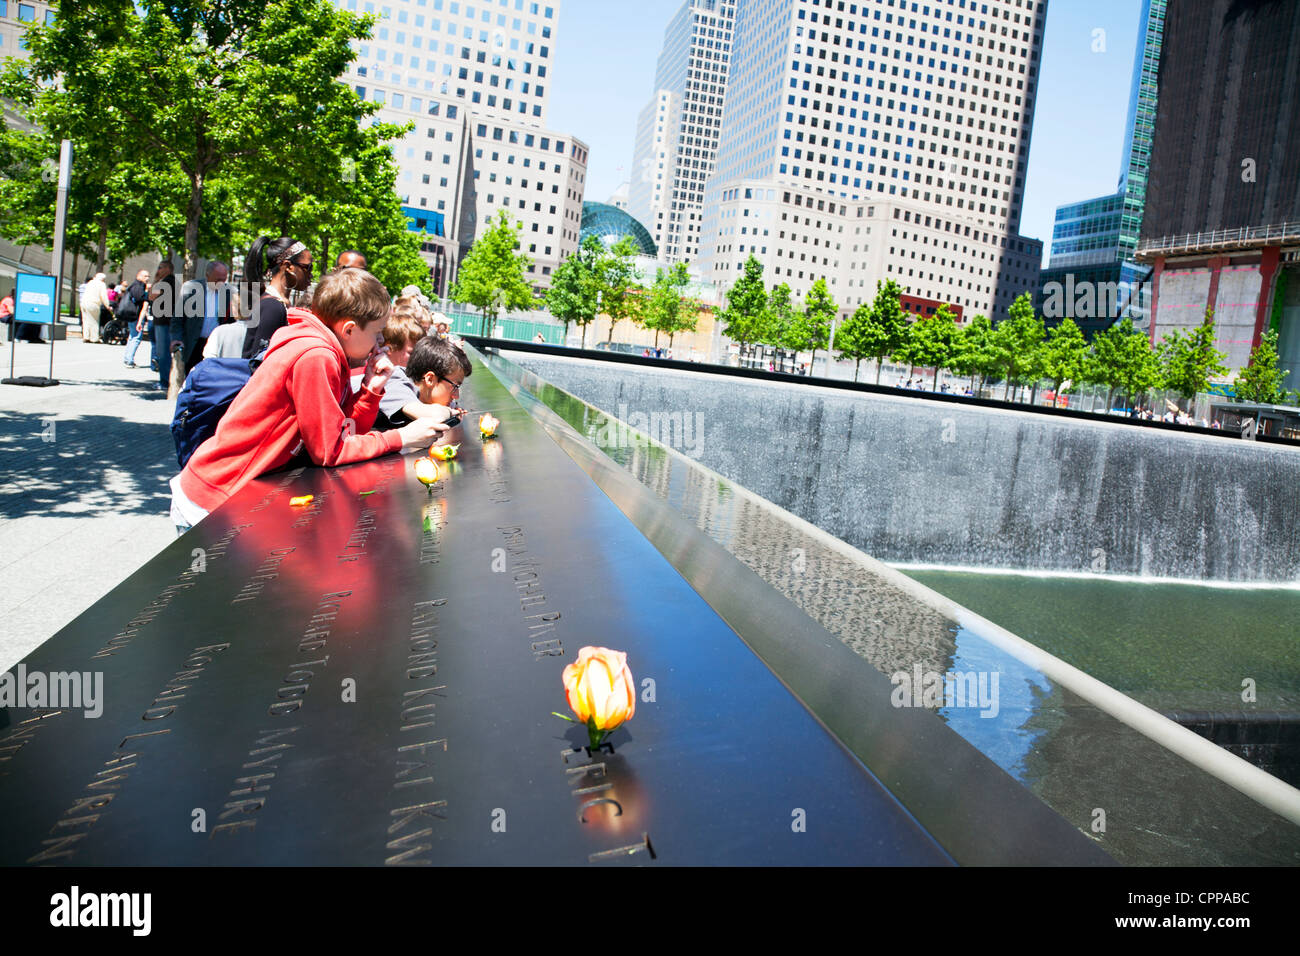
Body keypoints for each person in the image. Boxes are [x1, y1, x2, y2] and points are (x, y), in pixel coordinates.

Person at [171, 268, 447, 531]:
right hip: (215, 498)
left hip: (232, 494)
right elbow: (330, 451)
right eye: (377, 333)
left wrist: (370, 390)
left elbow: (346, 430)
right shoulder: (316, 355)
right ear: (349, 329)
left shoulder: (325, 349)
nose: (380, 344)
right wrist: (401, 437)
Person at [377, 329, 469, 431]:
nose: (456, 395)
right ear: (430, 379)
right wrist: (450, 412)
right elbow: (434, 415)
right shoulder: (393, 380)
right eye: (455, 386)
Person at [241, 236, 313, 359]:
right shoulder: (272, 307)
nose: (311, 275)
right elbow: (259, 363)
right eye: (307, 267)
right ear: (288, 266)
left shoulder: (276, 304)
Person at [178, 261, 230, 371]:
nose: (221, 282)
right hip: (194, 344)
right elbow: (178, 317)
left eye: (224, 279)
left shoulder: (228, 293)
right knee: (191, 378)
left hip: (216, 346)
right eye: (218, 279)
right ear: (207, 275)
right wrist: (176, 338)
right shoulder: (191, 288)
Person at [147, 261, 180, 390]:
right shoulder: (172, 281)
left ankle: (165, 382)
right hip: (166, 319)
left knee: (163, 352)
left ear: (167, 269)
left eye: (160, 267)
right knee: (165, 351)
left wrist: (155, 280)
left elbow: (151, 296)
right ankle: (167, 380)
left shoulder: (167, 281)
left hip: (164, 320)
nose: (158, 270)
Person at [119, 270, 151, 367]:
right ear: (139, 276)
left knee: (133, 336)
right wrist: (147, 294)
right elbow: (139, 298)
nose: (147, 278)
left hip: (132, 314)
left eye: (148, 276)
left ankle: (127, 358)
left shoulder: (135, 285)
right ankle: (129, 359)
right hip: (135, 315)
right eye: (145, 276)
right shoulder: (137, 286)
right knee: (136, 337)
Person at [79, 272, 112, 344]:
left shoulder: (90, 282)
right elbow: (103, 296)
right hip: (93, 304)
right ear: (103, 279)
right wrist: (107, 306)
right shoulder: (101, 284)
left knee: (86, 320)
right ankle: (94, 338)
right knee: (94, 321)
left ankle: (86, 337)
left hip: (84, 303)